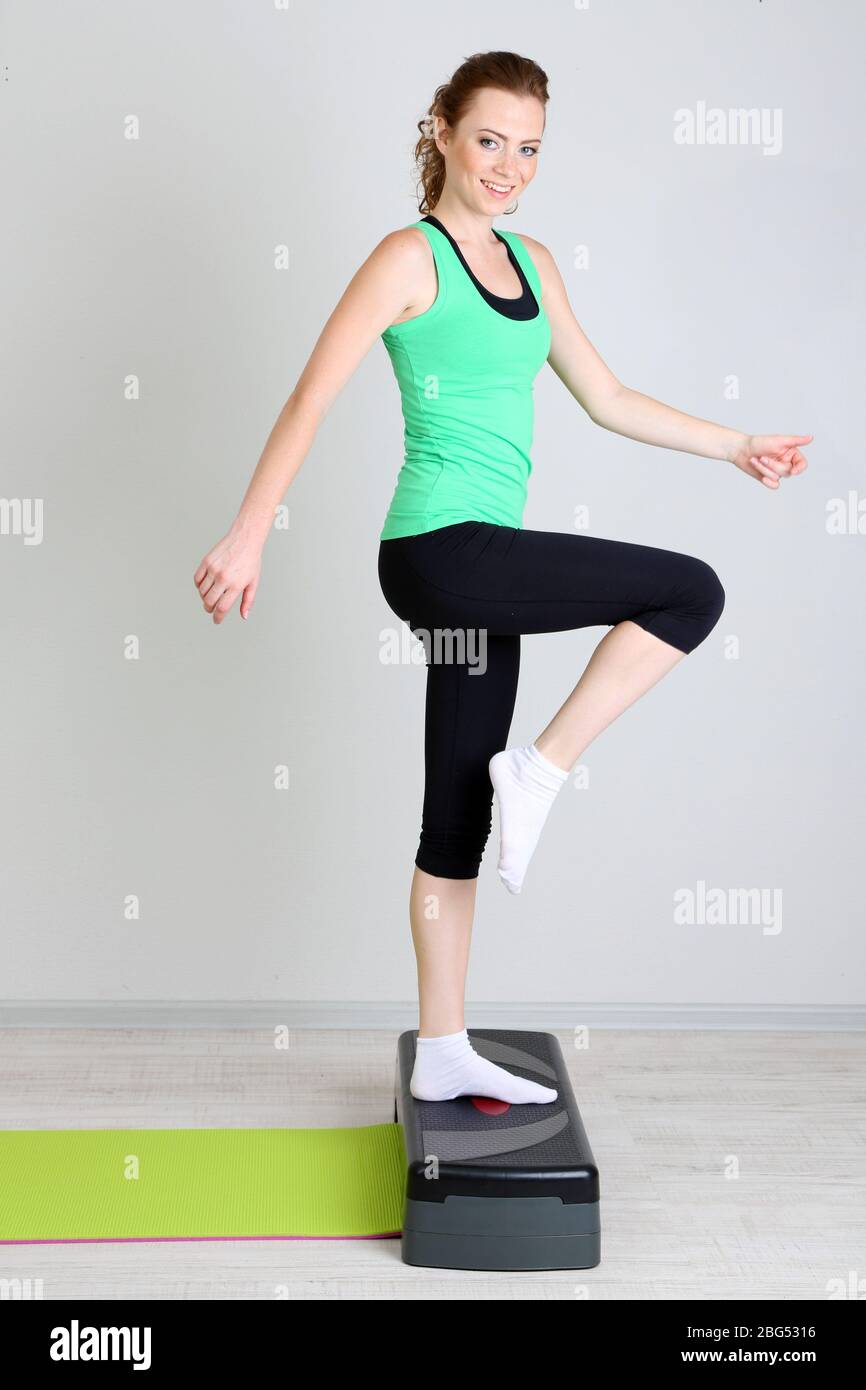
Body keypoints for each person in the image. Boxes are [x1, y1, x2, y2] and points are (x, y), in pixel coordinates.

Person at [193, 51, 811, 1107]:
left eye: (528, 149)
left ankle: (443, 1046)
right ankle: (541, 770)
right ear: (439, 129)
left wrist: (734, 442)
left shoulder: (532, 264)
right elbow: (309, 397)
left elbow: (606, 396)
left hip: (485, 577)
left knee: (453, 818)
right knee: (687, 591)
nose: (509, 166)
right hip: (439, 551)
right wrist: (250, 533)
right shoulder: (406, 257)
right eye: (489, 140)